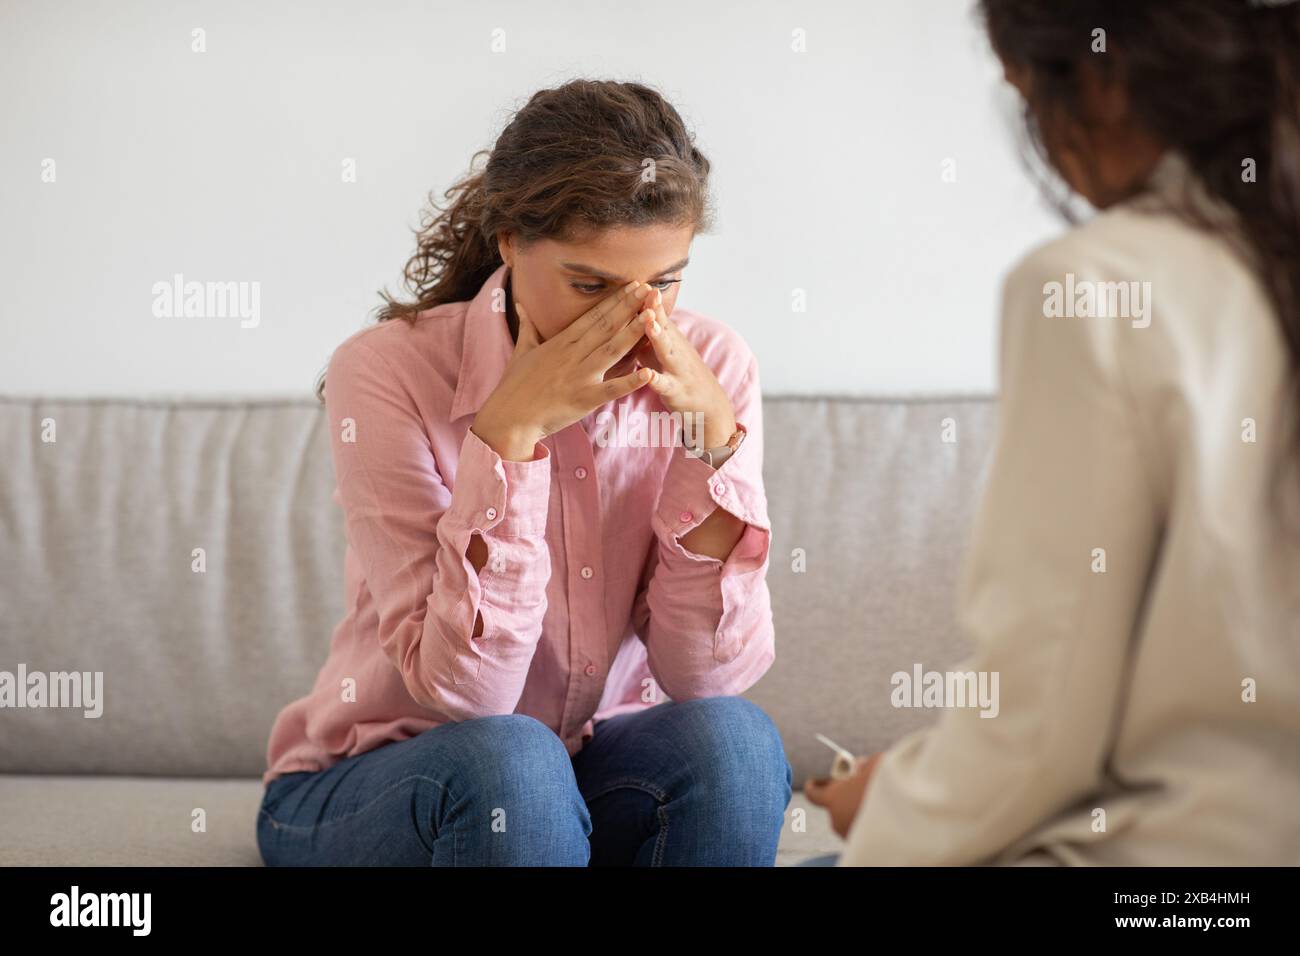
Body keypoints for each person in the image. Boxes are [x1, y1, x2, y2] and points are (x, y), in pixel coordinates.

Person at [806, 0, 1300, 865]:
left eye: (1027, 90)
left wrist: (887, 816)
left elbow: (1038, 723)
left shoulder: (1096, 286)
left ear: (1105, 81)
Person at [257, 79, 790, 866]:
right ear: (509, 240)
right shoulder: (386, 372)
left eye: (666, 282)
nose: (638, 320)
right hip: (397, 778)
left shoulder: (713, 367)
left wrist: (713, 446)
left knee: (735, 742)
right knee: (510, 762)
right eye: (591, 286)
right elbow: (468, 698)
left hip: (585, 775)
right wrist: (508, 437)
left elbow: (705, 679)